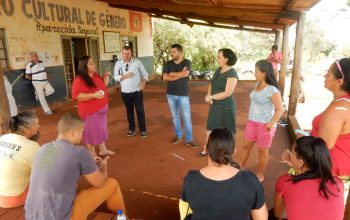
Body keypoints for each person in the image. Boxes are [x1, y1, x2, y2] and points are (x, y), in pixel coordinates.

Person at [25, 114, 126, 220]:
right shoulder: (80, 152)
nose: (82, 135)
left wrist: (87, 163)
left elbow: (60, 164)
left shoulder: (43, 148)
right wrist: (103, 167)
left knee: (77, 190)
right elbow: (100, 183)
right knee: (112, 184)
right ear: (74, 132)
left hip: (32, 215)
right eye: (82, 132)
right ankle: (122, 217)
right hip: (63, 217)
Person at [180, 128, 268, 220]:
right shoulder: (250, 180)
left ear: (206, 149)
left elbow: (184, 207)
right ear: (233, 151)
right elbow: (262, 218)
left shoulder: (190, 179)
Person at [274, 136, 344, 220]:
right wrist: (297, 166)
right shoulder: (338, 183)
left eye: (292, 153)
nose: (290, 155)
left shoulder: (285, 182)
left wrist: (296, 168)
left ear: (301, 162)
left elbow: (279, 214)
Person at [310, 58, 350, 199]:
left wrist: (301, 145)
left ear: (340, 81)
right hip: (331, 167)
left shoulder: (339, 108)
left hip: (327, 170)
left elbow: (323, 146)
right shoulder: (343, 101)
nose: (325, 76)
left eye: (328, 74)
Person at [239, 60, 283, 182]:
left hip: (265, 125)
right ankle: (240, 169)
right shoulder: (257, 85)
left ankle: (259, 174)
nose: (254, 73)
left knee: (262, 151)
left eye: (256, 71)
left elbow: (280, 109)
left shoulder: (272, 90)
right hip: (252, 122)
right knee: (246, 146)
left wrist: (271, 123)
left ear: (264, 73)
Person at [198, 48, 239, 157]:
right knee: (211, 126)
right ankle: (206, 148)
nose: (217, 59)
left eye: (219, 57)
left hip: (226, 106)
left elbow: (227, 93)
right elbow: (212, 83)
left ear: (226, 59)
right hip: (215, 103)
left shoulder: (232, 73)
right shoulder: (219, 69)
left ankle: (230, 150)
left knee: (227, 130)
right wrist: (209, 94)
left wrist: (211, 96)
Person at [72, 56, 115, 156]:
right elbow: (77, 97)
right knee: (91, 134)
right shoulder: (79, 80)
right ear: (85, 67)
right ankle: (92, 155)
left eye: (93, 62)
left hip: (100, 112)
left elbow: (104, 85)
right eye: (91, 63)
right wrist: (94, 95)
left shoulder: (95, 75)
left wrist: (106, 76)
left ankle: (103, 150)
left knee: (100, 131)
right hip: (90, 113)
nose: (94, 64)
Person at [0, 112, 40, 208]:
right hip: (11, 199)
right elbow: (45, 172)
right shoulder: (32, 147)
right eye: (36, 124)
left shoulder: (2, 138)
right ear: (26, 130)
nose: (39, 126)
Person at [162, 44, 197, 147]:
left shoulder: (187, 62)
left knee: (186, 117)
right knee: (175, 116)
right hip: (171, 94)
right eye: (171, 51)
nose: (171, 53)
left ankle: (189, 139)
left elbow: (185, 74)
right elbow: (164, 78)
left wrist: (172, 74)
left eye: (173, 52)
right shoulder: (168, 63)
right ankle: (178, 135)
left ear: (180, 52)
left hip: (183, 94)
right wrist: (179, 74)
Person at [114, 46, 148, 137]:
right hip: (125, 92)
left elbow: (145, 74)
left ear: (131, 53)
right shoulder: (118, 63)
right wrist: (126, 76)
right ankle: (131, 129)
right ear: (122, 53)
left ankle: (143, 130)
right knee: (129, 111)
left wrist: (143, 82)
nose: (126, 55)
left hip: (137, 91)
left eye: (128, 53)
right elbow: (115, 76)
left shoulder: (137, 63)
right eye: (124, 53)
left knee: (140, 110)